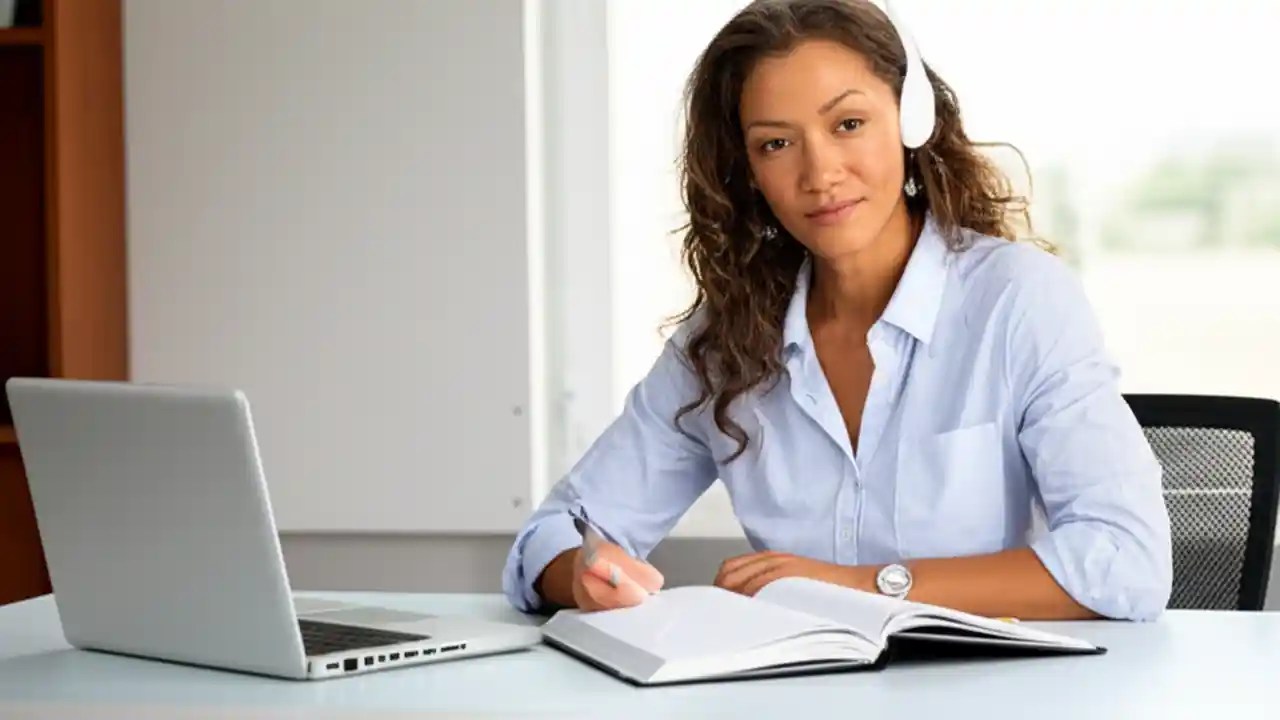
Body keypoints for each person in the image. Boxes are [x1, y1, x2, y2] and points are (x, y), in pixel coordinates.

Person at [501, 0, 1172, 621]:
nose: (819, 174)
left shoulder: (1019, 300)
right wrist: (581, 573)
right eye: (776, 143)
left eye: (848, 125)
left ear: (910, 122)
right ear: (747, 171)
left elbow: (1127, 562)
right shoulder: (725, 336)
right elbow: (555, 534)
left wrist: (863, 584)